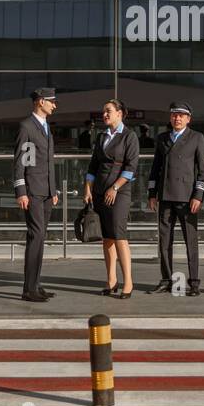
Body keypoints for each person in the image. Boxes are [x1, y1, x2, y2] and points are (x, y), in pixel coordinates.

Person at [147, 101, 204, 296]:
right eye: (174, 115)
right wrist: (152, 194)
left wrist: (198, 195)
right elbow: (155, 169)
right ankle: (166, 279)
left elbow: (203, 172)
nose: (177, 118)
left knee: (191, 241)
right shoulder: (162, 138)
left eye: (181, 115)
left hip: (187, 197)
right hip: (165, 196)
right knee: (164, 241)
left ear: (188, 119)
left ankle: (194, 282)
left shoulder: (197, 138)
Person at [84, 99, 140, 299]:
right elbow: (93, 165)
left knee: (119, 236)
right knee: (106, 237)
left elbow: (131, 168)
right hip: (99, 191)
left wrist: (115, 187)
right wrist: (88, 188)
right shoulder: (101, 137)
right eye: (103, 111)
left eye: (108, 111)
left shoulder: (129, 136)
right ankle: (111, 280)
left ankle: (128, 282)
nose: (104, 114)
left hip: (119, 192)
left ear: (120, 113)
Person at [12, 87, 59, 302]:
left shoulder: (45, 127)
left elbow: (47, 162)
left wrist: (53, 189)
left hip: (46, 191)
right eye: (51, 101)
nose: (54, 105)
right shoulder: (27, 126)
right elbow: (21, 162)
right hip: (32, 191)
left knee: (40, 239)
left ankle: (36, 285)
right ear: (41, 102)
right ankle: (28, 289)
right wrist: (21, 191)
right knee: (36, 236)